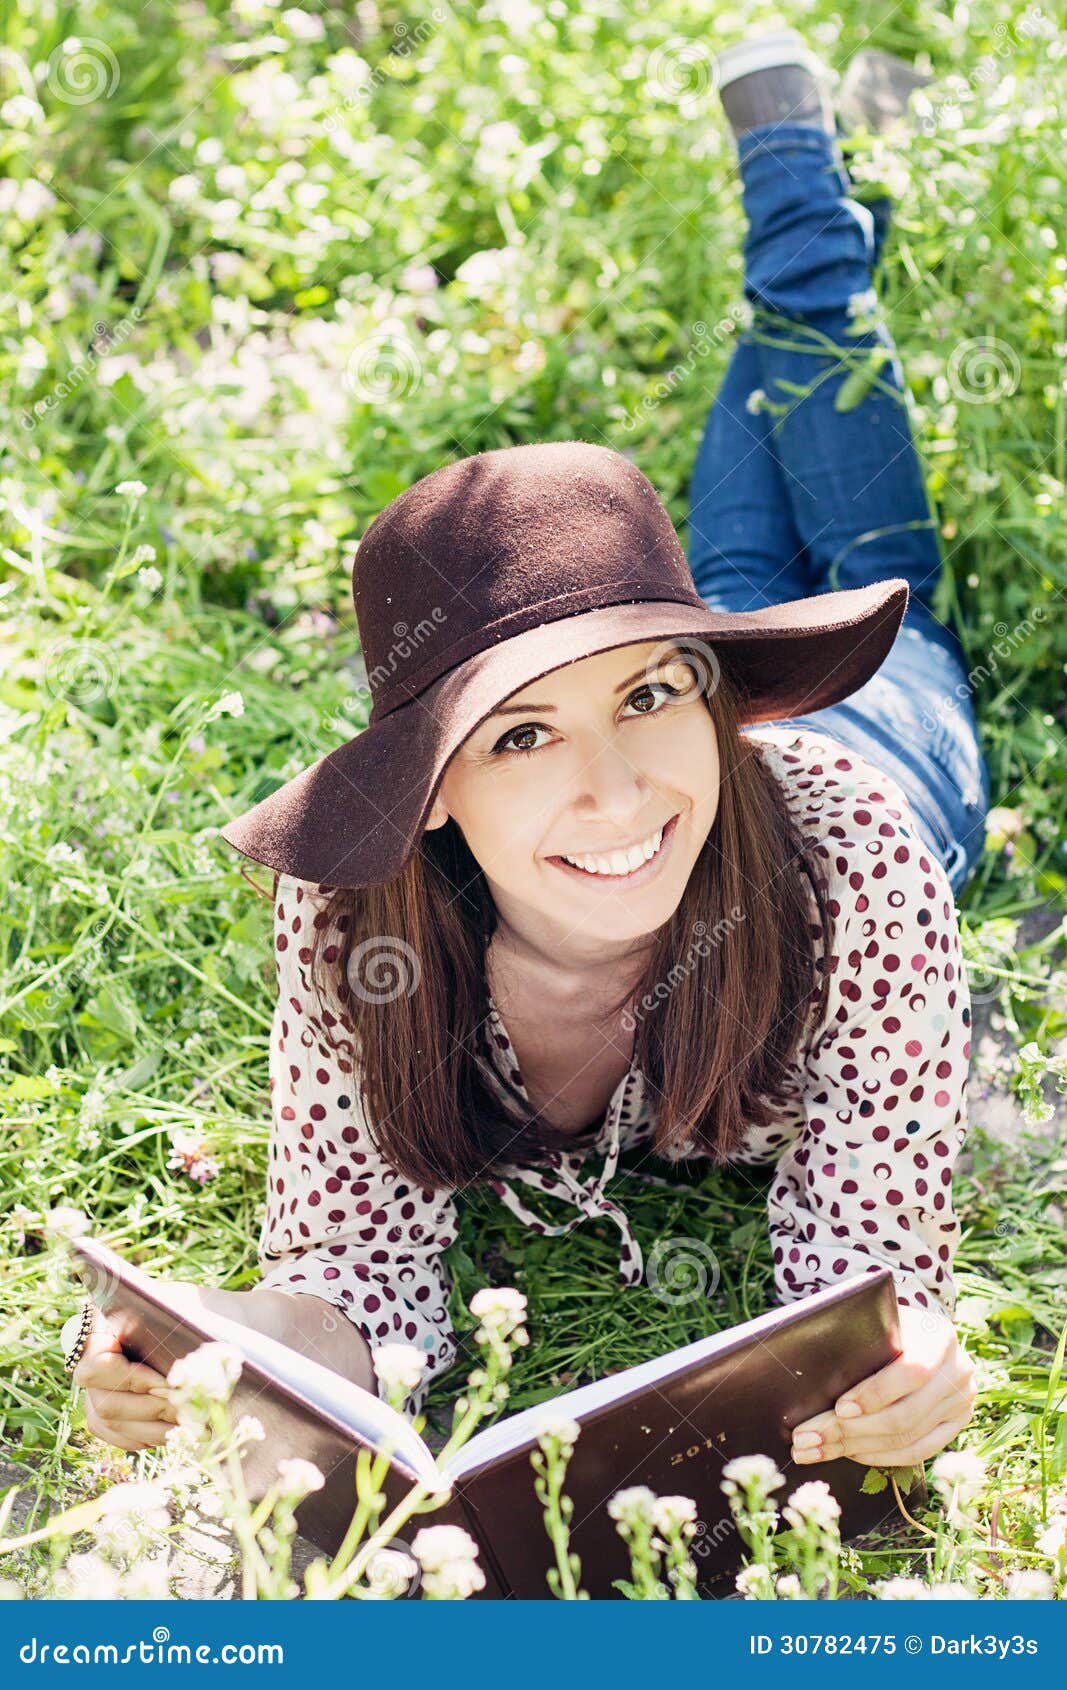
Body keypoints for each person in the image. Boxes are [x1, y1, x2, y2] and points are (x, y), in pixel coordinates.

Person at [70, 30, 987, 1476]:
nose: (614, 791)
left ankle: (806, 209)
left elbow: (869, 1268)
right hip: (718, 666)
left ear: (710, 693)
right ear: (429, 792)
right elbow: (349, 1270)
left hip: (886, 745)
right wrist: (229, 1355)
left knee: (879, 549)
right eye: (522, 733)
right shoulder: (356, 923)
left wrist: (906, 1363)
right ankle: (803, 228)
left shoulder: (854, 864)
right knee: (753, 526)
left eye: (647, 695)